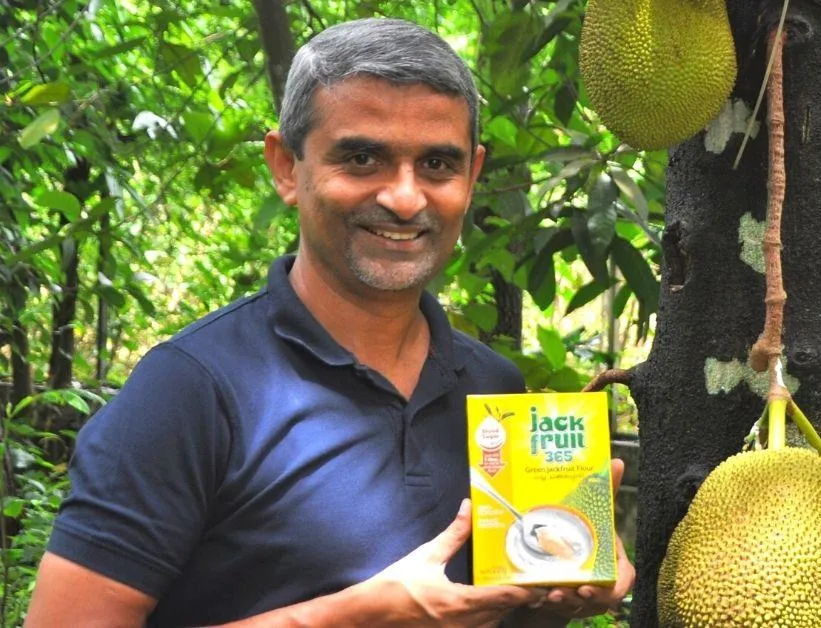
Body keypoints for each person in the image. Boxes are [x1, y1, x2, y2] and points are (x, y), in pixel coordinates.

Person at [25, 17, 634, 627]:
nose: (404, 197)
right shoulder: (190, 390)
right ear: (287, 167)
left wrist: (566, 570)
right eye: (363, 157)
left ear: (472, 176)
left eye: (437, 164)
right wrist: (351, 617)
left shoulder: (495, 391)